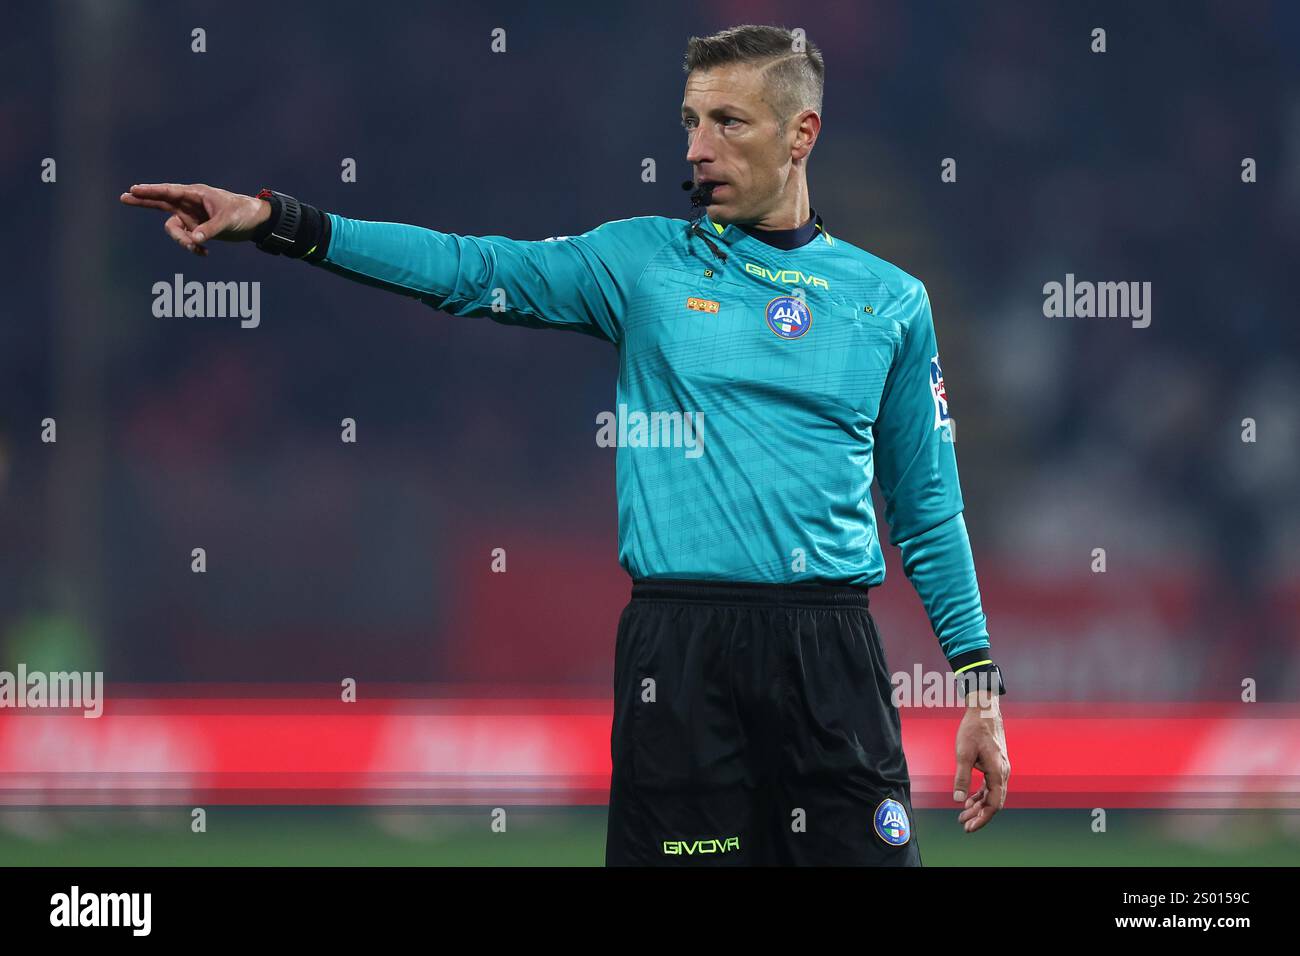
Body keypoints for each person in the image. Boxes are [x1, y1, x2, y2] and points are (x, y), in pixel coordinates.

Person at [120, 23, 1010, 866]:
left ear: (801, 133)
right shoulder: (642, 264)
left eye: (728, 122)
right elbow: (472, 271)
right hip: (681, 651)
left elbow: (928, 510)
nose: (697, 147)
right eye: (690, 121)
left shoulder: (889, 301)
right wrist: (282, 222)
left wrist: (978, 687)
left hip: (831, 658)